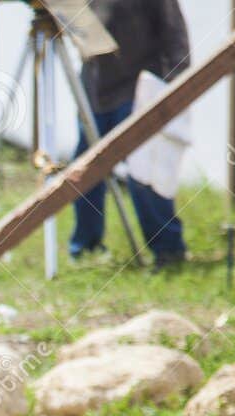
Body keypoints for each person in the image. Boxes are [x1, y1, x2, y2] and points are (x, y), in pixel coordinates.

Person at [70, 0, 190, 270]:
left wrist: (175, 88)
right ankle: (86, 247)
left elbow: (175, 36)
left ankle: (168, 249)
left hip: (139, 90)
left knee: (144, 172)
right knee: (84, 171)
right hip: (95, 88)